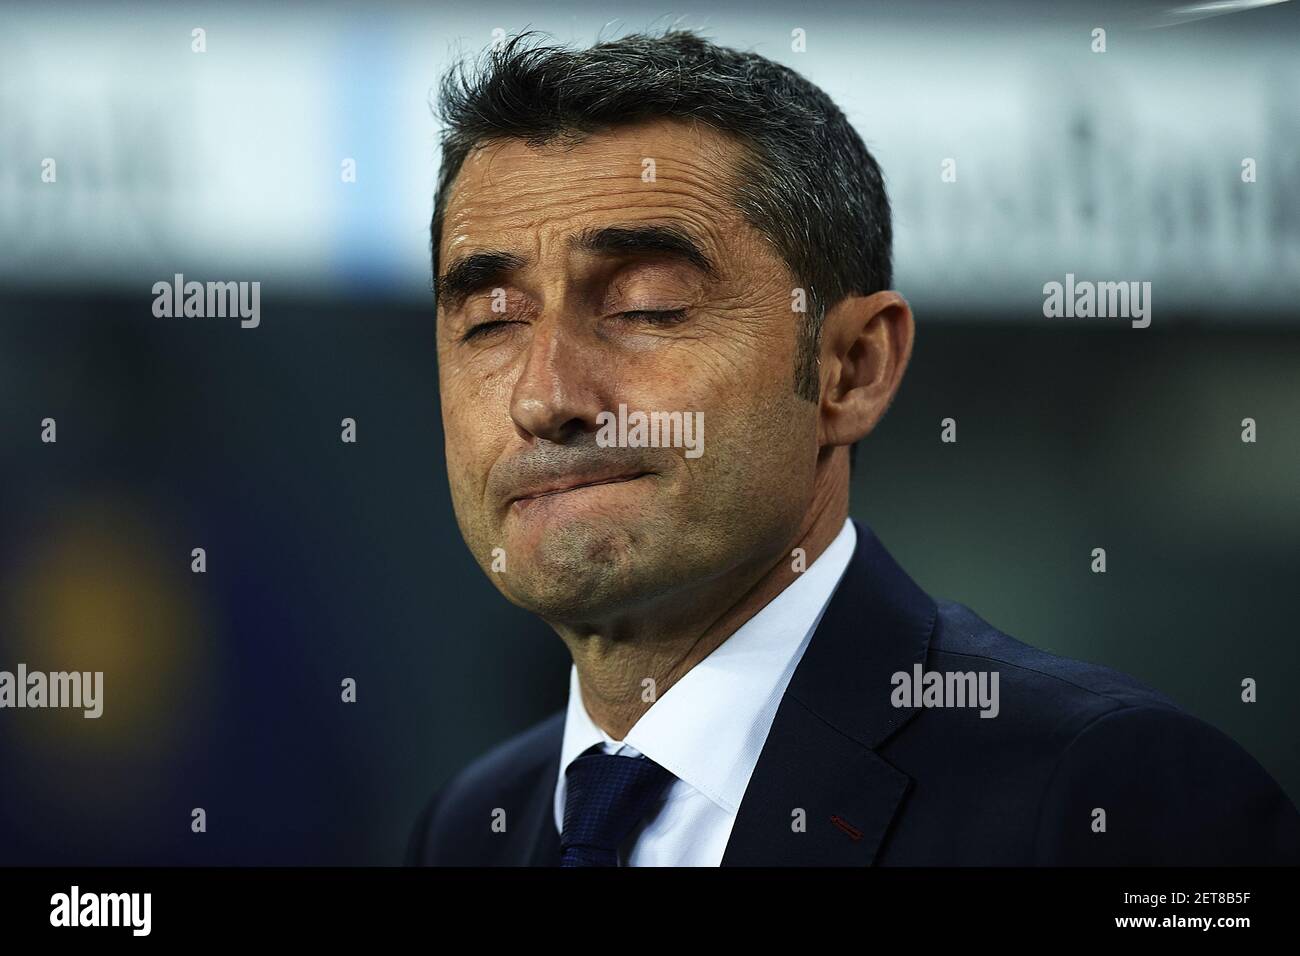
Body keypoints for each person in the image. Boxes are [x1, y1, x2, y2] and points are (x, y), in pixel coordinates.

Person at [407, 30, 1300, 866]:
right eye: (491, 321)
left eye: (646, 306)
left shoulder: (1110, 798)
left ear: (853, 368)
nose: (545, 397)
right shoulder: (469, 826)